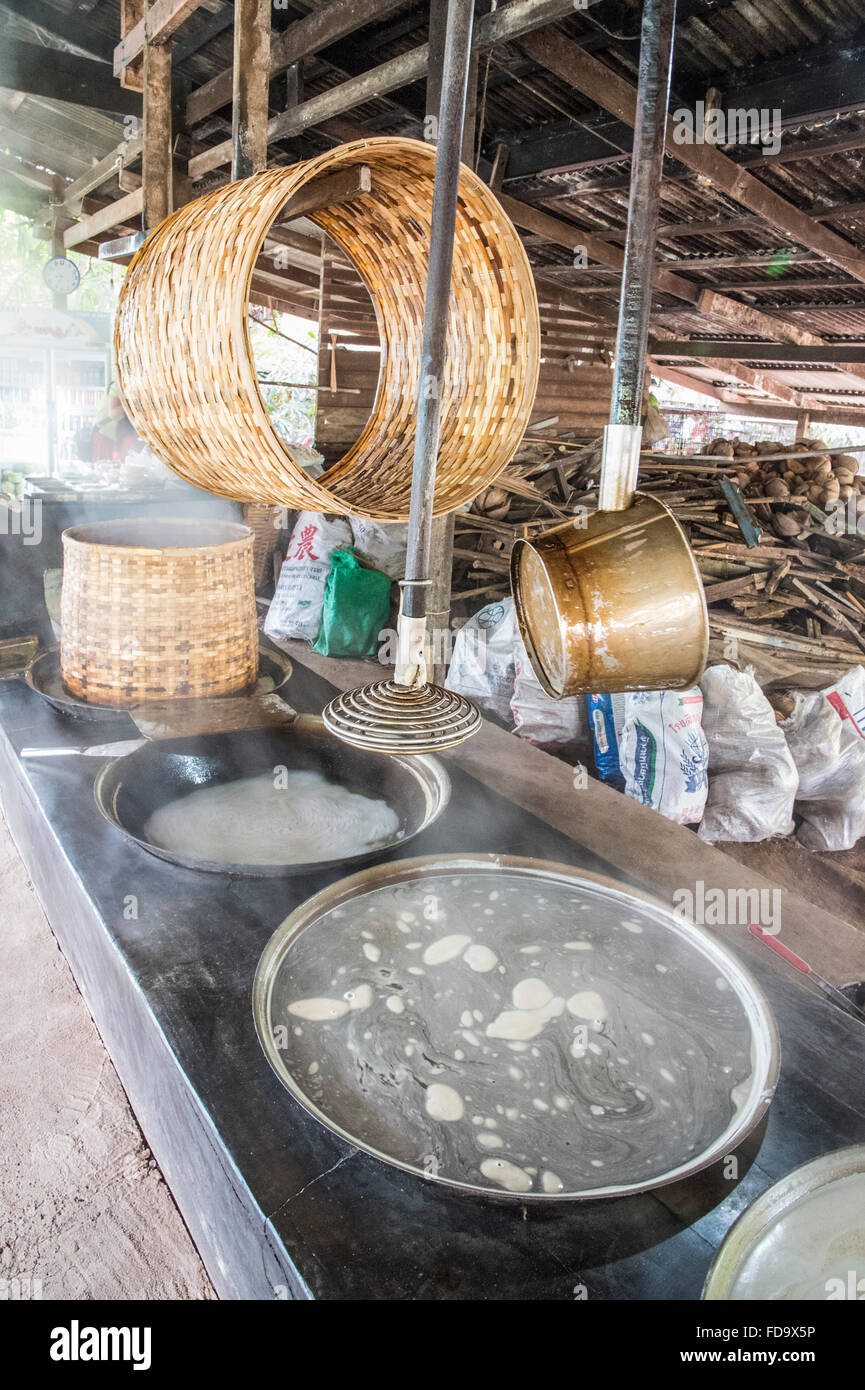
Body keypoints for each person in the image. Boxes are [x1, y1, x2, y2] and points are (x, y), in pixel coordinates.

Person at [89, 384, 143, 463]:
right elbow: (113, 413)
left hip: (116, 435)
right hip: (103, 432)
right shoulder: (118, 385)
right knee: (102, 465)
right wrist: (133, 404)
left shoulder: (136, 388)